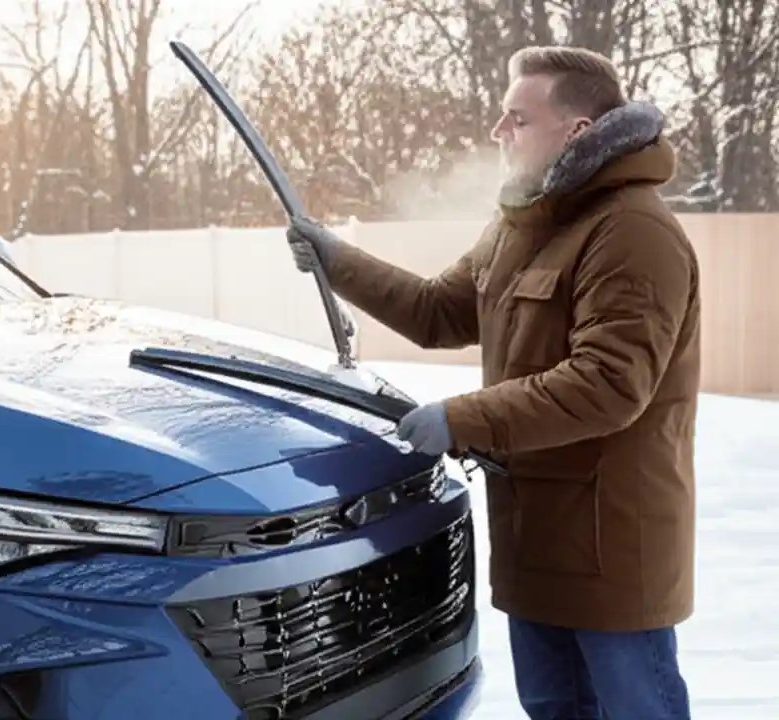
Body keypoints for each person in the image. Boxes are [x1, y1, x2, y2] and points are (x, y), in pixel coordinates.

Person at [288, 45, 699, 720]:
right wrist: (338, 261)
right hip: (535, 542)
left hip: (611, 551)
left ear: (576, 132)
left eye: (516, 118)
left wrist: (462, 418)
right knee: (555, 708)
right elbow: (436, 311)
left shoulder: (631, 231)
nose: (496, 133)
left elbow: (607, 384)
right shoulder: (521, 227)